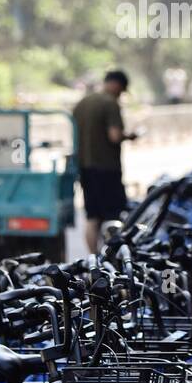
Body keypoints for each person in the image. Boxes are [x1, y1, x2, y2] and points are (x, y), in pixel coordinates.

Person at [73, 70, 136, 253]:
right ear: (117, 85)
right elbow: (115, 136)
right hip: (107, 169)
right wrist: (129, 136)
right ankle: (113, 259)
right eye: (122, 90)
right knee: (113, 217)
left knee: (92, 217)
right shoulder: (110, 103)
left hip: (85, 167)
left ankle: (94, 261)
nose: (120, 94)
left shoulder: (82, 103)